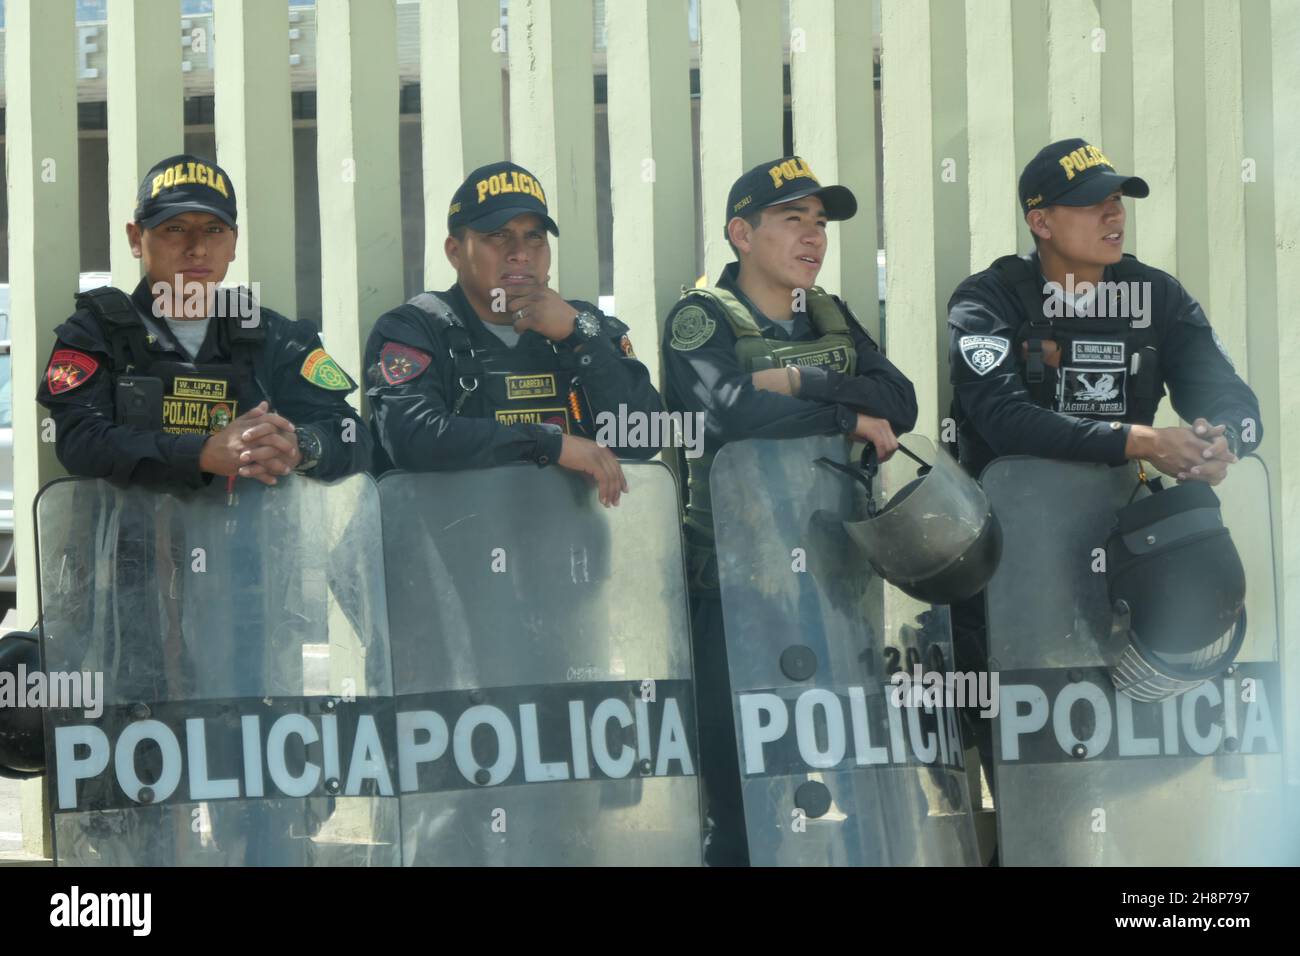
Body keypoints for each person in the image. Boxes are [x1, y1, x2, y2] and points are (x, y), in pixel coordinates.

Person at [945, 137, 1264, 797]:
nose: (1113, 215)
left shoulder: (1158, 296)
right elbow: (1002, 420)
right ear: (1041, 222)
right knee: (1030, 781)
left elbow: (1235, 403)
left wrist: (1218, 438)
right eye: (1092, 204)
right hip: (1009, 570)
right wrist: (1142, 440)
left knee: (1122, 777)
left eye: (1118, 201)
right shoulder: (989, 300)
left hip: (1123, 567)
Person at [660, 155, 919, 865]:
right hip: (731, 592)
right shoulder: (700, 317)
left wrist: (795, 377)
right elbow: (727, 412)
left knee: (861, 785)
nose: (814, 237)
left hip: (833, 586)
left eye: (820, 222)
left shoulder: (826, 313)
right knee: (745, 798)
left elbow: (900, 403)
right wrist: (842, 412)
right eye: (792, 220)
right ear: (741, 233)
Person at [38, 154, 370, 488]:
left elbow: (352, 434)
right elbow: (79, 441)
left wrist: (299, 446)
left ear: (234, 243)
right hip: (133, 538)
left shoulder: (273, 335)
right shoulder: (95, 332)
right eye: (176, 229)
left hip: (251, 538)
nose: (197, 248)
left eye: (213, 230)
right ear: (136, 238)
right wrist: (202, 454)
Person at [363, 161, 663, 506]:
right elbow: (411, 438)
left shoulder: (583, 322)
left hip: (572, 550)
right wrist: (550, 444)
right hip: (452, 548)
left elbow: (644, 436)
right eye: (498, 235)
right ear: (455, 252)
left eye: (534, 236)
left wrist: (581, 338)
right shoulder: (415, 328)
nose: (520, 253)